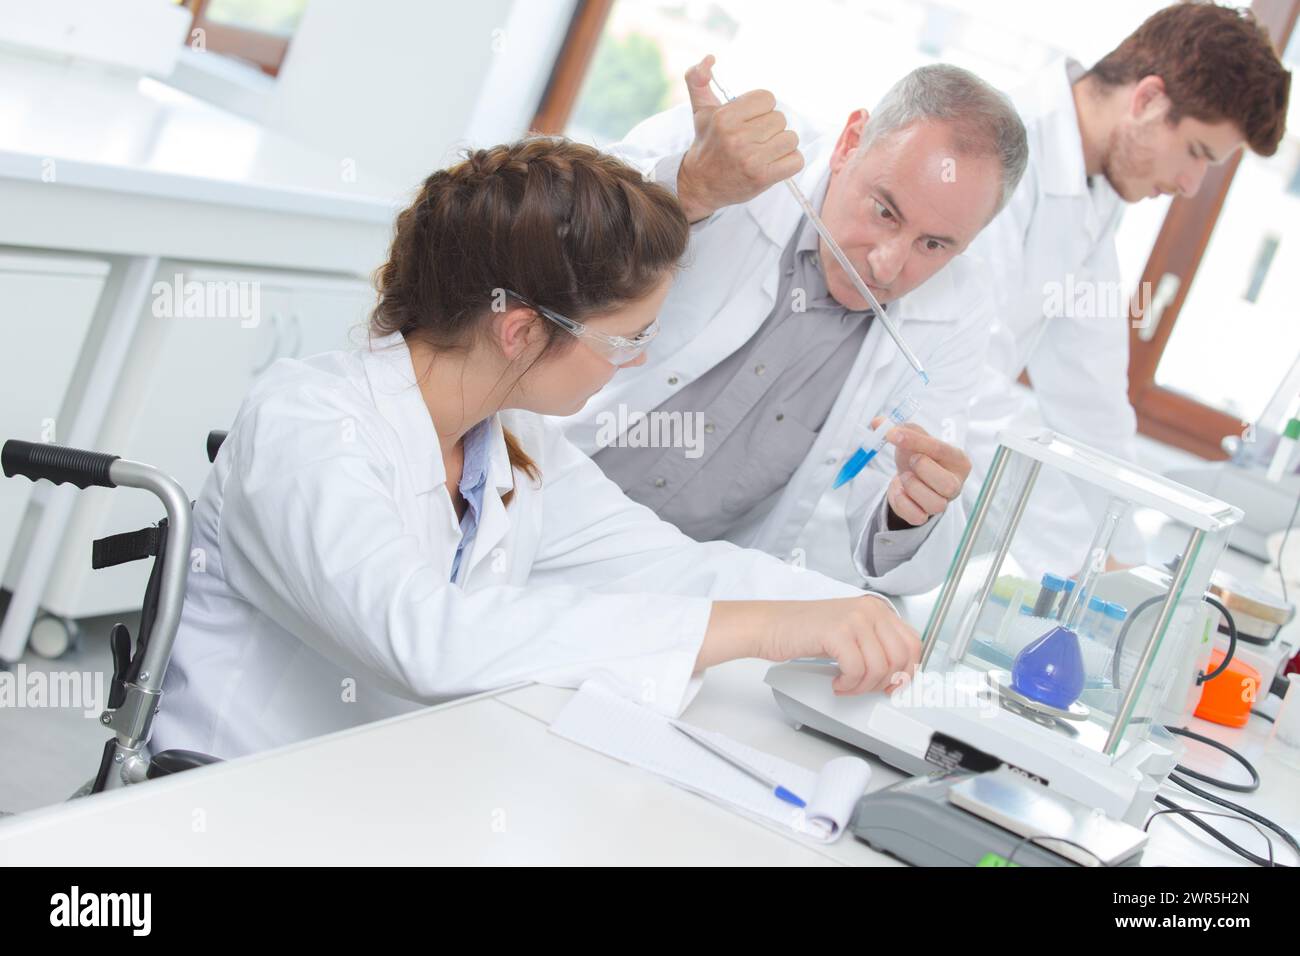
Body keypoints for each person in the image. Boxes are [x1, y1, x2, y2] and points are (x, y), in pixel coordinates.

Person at [149, 138, 922, 760]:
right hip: (231, 796)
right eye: (628, 340)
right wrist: (755, 630)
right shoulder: (307, 426)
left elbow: (663, 563)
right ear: (519, 330)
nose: (639, 361)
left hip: (379, 787)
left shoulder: (514, 442)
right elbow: (425, 643)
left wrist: (840, 611)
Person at [562, 60, 1028, 593]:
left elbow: (889, 540)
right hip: (533, 500)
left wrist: (911, 510)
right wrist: (690, 187)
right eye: (884, 211)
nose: (886, 265)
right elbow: (539, 249)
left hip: (679, 589)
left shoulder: (960, 310)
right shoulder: (735, 147)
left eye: (935, 244)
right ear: (850, 141)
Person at [964, 1, 1291, 578]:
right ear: (1146, 99)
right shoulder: (995, 148)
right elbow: (967, 390)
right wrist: (1088, 561)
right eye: (1196, 153)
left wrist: (1138, 573)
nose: (1191, 186)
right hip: (844, 507)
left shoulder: (1096, 192)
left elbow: (1092, 399)